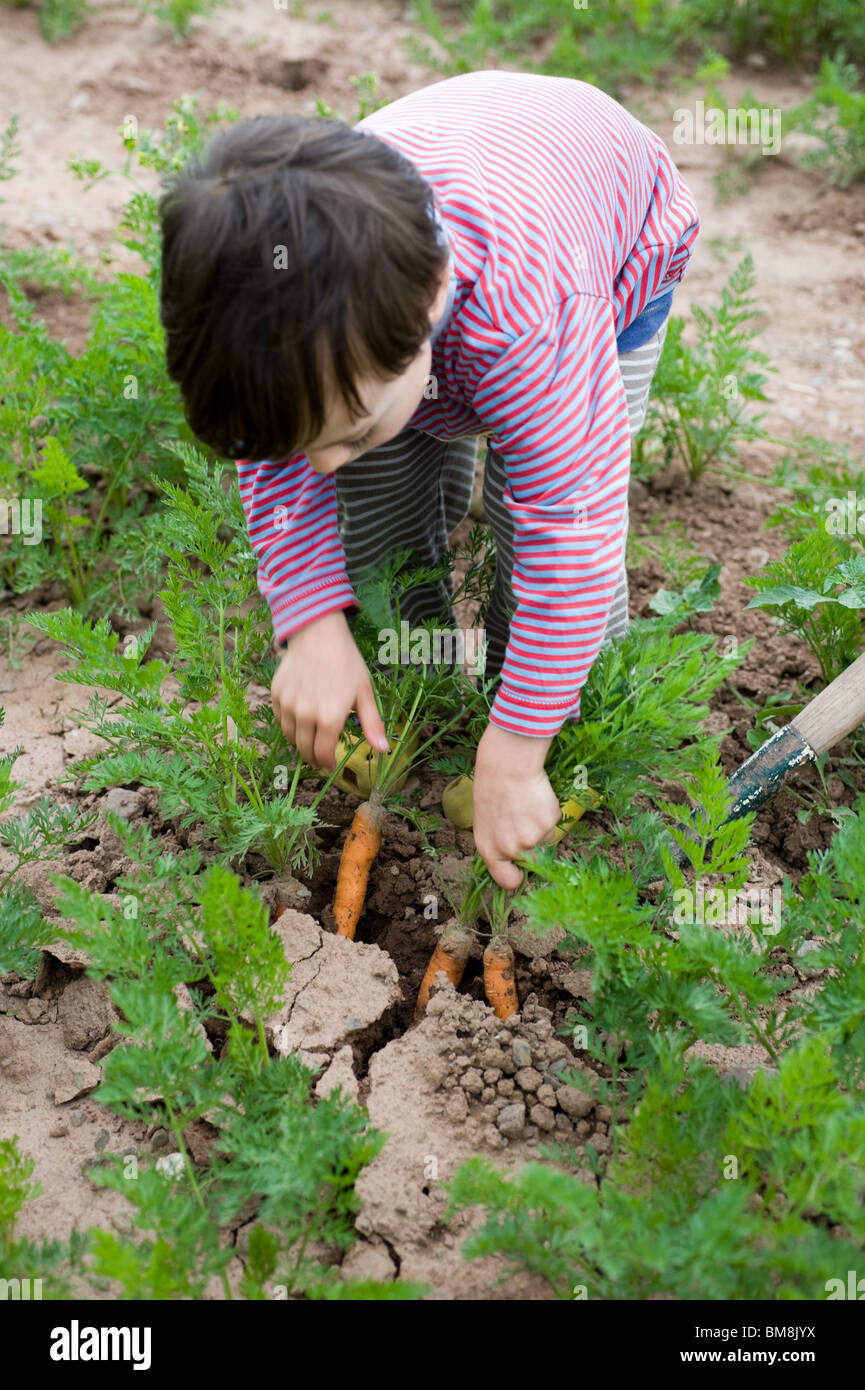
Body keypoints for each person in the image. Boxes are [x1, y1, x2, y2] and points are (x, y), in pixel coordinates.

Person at [158, 69, 699, 888]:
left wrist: (515, 753)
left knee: (537, 525)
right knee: (379, 503)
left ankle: (567, 738)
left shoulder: (527, 320)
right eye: (305, 444)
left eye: (348, 432)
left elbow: (572, 538)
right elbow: (282, 446)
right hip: (444, 295)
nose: (324, 466)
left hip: (611, 248)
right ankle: (424, 679)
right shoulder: (282, 319)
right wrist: (311, 623)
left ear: (429, 309)